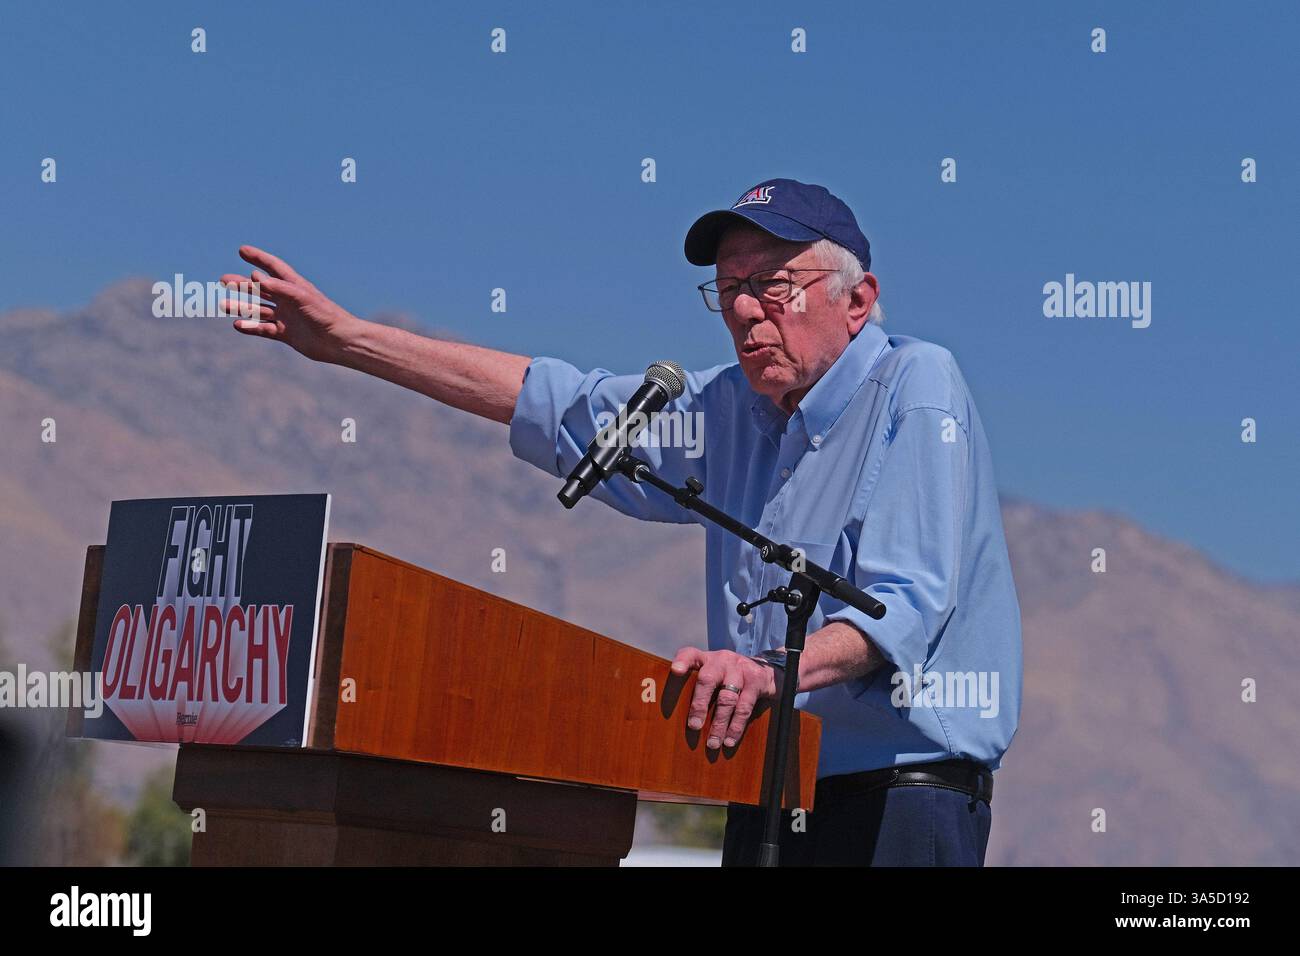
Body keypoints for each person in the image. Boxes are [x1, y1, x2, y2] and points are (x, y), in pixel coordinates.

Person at [221, 177, 1022, 866]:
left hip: (898, 801)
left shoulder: (917, 385)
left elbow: (908, 604)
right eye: (728, 287)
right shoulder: (724, 411)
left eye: (774, 283)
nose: (745, 310)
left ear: (859, 300)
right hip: (767, 795)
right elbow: (558, 403)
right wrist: (352, 341)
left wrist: (768, 672)